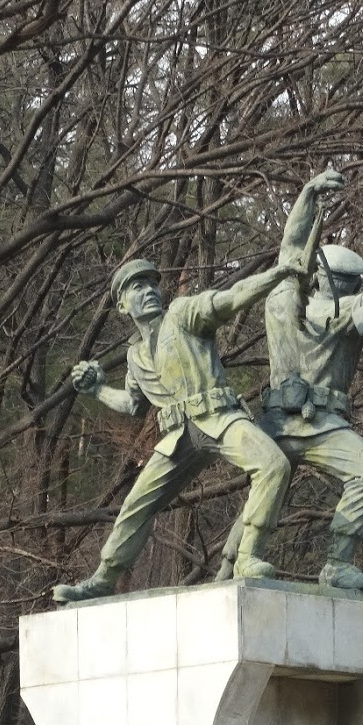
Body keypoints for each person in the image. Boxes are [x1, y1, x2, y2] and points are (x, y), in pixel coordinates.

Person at [218, 170, 363, 590]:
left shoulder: (313, 303)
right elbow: (303, 257)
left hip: (316, 426)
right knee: (276, 480)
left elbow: (305, 258)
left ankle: (331, 562)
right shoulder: (299, 303)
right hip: (289, 423)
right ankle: (242, 560)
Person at [53, 250, 305, 603]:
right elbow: (132, 405)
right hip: (178, 438)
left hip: (218, 417)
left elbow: (231, 298)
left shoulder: (183, 314)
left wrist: (275, 274)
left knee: (273, 465)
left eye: (153, 284)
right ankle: (104, 577)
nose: (149, 291)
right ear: (123, 305)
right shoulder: (136, 355)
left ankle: (247, 557)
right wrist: (97, 389)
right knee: (135, 506)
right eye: (137, 287)